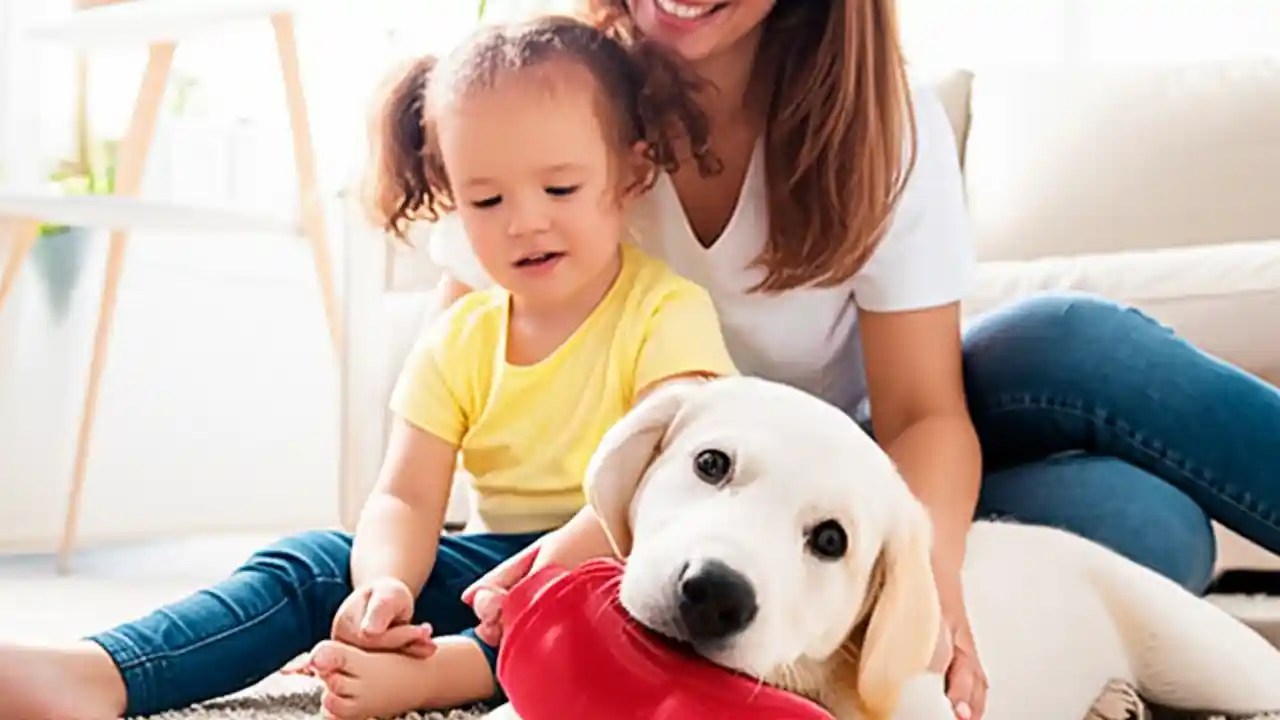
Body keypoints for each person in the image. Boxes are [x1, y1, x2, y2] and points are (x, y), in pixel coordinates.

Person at [451, 2, 1280, 720]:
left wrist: (934, 589)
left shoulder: (876, 123)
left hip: (858, 483)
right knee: (1146, 522)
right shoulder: (548, 101)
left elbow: (921, 412)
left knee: (1070, 339)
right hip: (681, 507)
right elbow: (468, 375)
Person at [0, 14, 741, 720]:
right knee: (313, 563)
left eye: (560, 189)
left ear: (631, 174)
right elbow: (407, 497)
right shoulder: (460, 338)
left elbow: (659, 482)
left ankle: (445, 672)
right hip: (488, 574)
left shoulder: (666, 312)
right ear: (454, 202)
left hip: (615, 562)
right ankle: (102, 672)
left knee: (626, 619)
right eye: (487, 199)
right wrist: (384, 586)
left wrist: (536, 577)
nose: (524, 221)